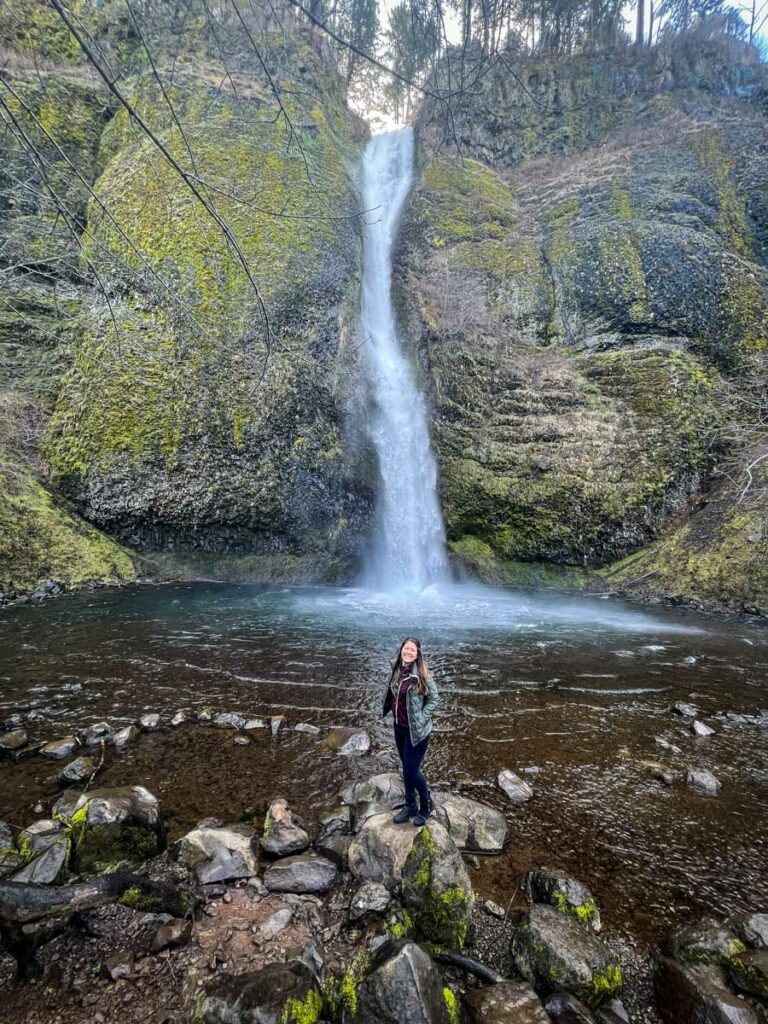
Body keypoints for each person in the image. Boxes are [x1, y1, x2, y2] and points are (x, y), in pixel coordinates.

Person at [382, 636, 439, 826]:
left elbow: (434, 700)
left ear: (417, 654)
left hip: (418, 732)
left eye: (412, 650)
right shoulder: (396, 670)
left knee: (410, 770)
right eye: (406, 649)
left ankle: (425, 804)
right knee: (407, 770)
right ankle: (409, 806)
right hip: (399, 728)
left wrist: (422, 718)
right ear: (401, 650)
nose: (408, 652)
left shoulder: (422, 675)